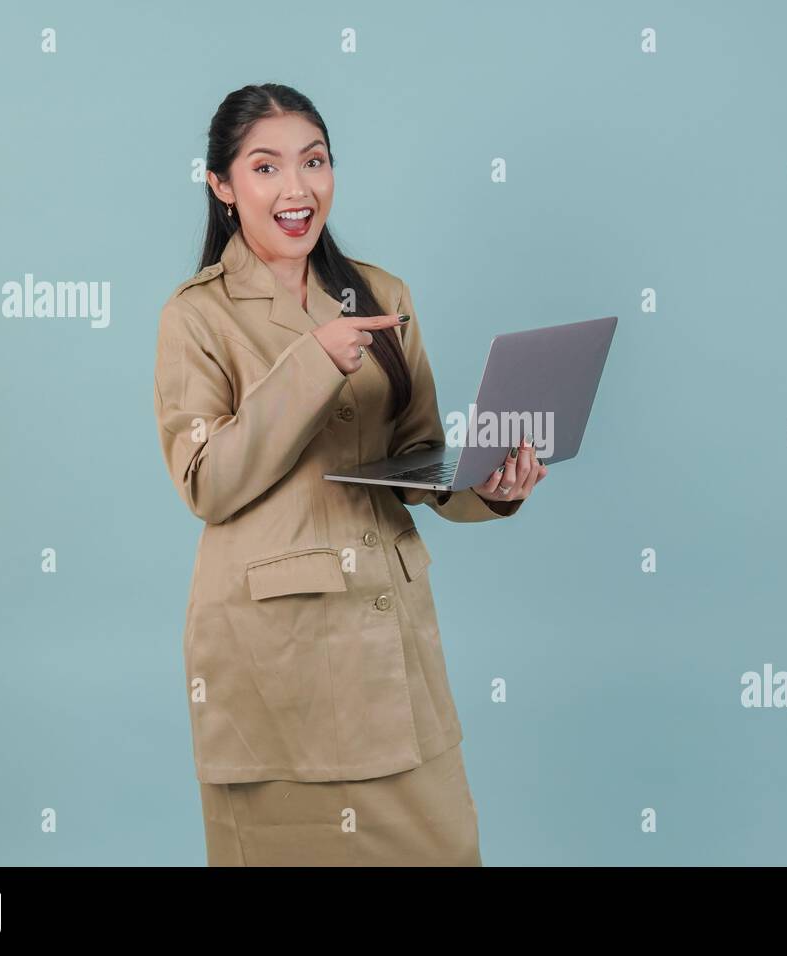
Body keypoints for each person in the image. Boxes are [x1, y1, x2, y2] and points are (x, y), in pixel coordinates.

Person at [153, 83, 546, 866]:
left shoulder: (381, 294)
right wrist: (312, 363)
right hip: (274, 663)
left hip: (389, 646)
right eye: (265, 168)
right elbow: (207, 482)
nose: (297, 189)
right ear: (222, 187)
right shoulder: (197, 316)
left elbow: (416, 461)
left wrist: (490, 490)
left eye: (315, 161)